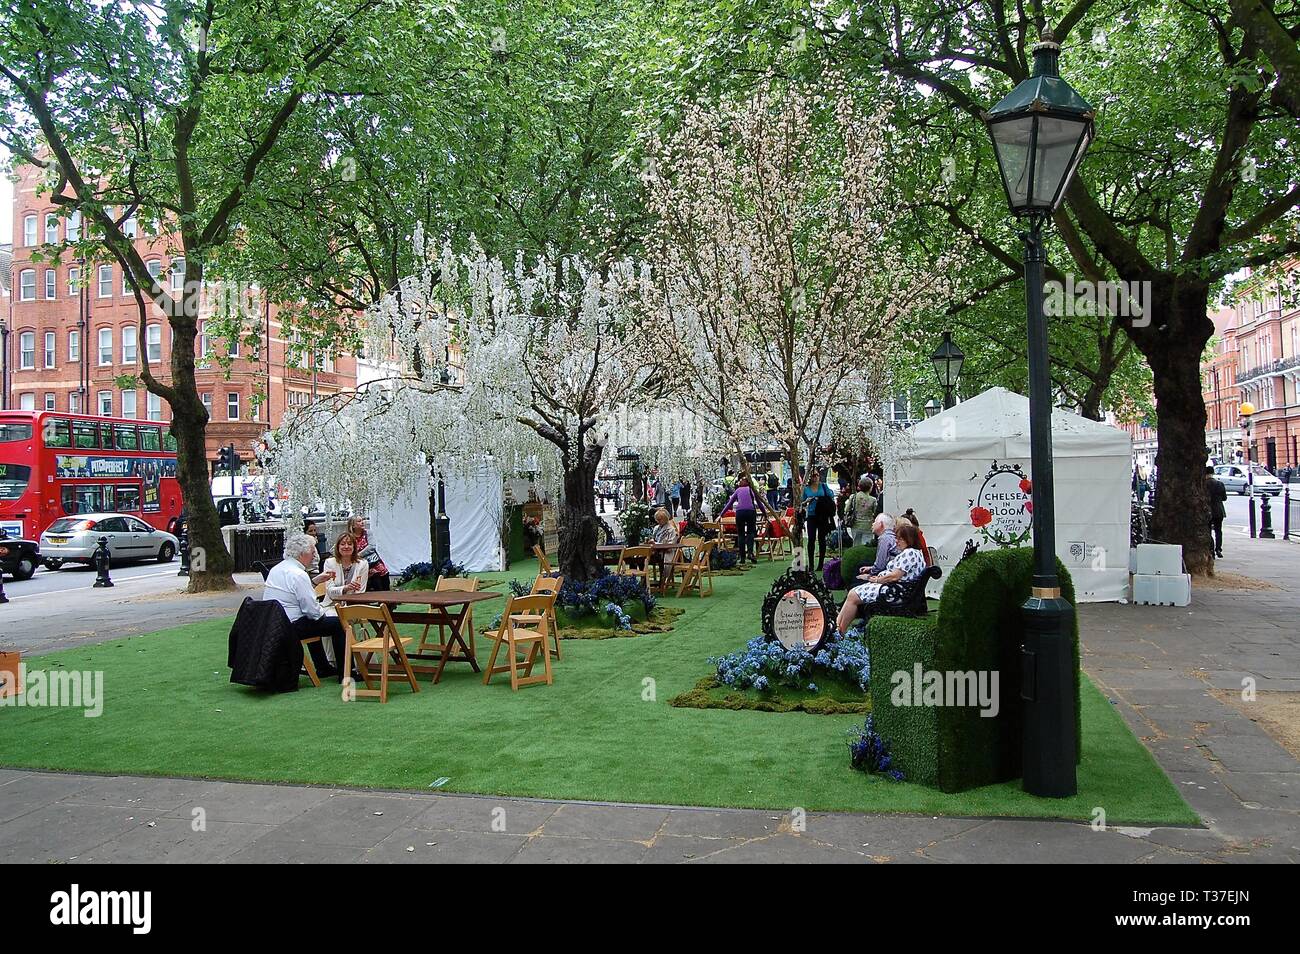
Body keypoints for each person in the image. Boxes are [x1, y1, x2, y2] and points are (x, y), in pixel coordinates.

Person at [263, 532, 348, 681]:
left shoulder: (277, 569)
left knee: (314, 622)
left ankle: (322, 666)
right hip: (291, 626)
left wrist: (315, 581)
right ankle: (345, 672)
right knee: (337, 624)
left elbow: (294, 595)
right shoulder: (298, 574)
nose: (314, 555)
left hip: (274, 623)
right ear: (304, 553)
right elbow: (313, 612)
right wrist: (324, 610)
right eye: (313, 551)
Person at [835, 523, 928, 633]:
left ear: (909, 539)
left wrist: (876, 580)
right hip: (898, 591)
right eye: (896, 538)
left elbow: (894, 576)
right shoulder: (916, 553)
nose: (896, 542)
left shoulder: (910, 553)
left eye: (900, 539)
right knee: (853, 594)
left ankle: (839, 631)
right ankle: (837, 627)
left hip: (894, 593)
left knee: (853, 595)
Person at [722, 475, 771, 564]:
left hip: (740, 512)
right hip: (750, 512)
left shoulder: (737, 490)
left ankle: (742, 557)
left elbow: (729, 504)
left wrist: (721, 514)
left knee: (740, 534)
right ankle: (750, 552)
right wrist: (765, 514)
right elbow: (760, 503)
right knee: (750, 533)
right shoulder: (752, 490)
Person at [320, 531, 370, 611]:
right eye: (342, 544)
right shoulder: (329, 563)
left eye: (350, 544)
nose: (346, 547)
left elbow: (360, 591)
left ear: (354, 547)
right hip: (331, 605)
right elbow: (329, 591)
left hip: (353, 606)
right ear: (338, 547)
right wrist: (345, 588)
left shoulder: (363, 564)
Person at [801, 469, 836, 571]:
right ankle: (811, 564)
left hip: (823, 516)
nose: (815, 477)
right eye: (813, 476)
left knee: (822, 539)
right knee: (811, 539)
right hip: (812, 515)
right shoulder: (806, 489)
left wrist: (823, 499)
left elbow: (831, 496)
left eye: (817, 475)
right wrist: (807, 501)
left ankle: (821, 564)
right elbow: (801, 502)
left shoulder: (824, 486)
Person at [348, 515, 390, 591]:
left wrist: (358, 555)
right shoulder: (349, 537)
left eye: (362, 520)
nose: (362, 522)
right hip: (361, 566)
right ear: (353, 525)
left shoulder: (367, 533)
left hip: (374, 563)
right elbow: (335, 549)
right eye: (359, 521)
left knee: (383, 583)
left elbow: (372, 546)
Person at [843, 477, 877, 547]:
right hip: (868, 525)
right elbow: (875, 512)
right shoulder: (873, 500)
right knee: (866, 546)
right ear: (870, 487)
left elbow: (846, 509)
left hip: (855, 524)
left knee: (856, 544)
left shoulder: (853, 497)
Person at [1206, 465, 1227, 559]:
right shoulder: (1220, 484)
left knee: (1208, 531)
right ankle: (1218, 549)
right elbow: (1224, 498)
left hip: (1207, 510)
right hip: (1219, 510)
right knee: (1218, 531)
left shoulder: (1203, 484)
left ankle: (1211, 550)